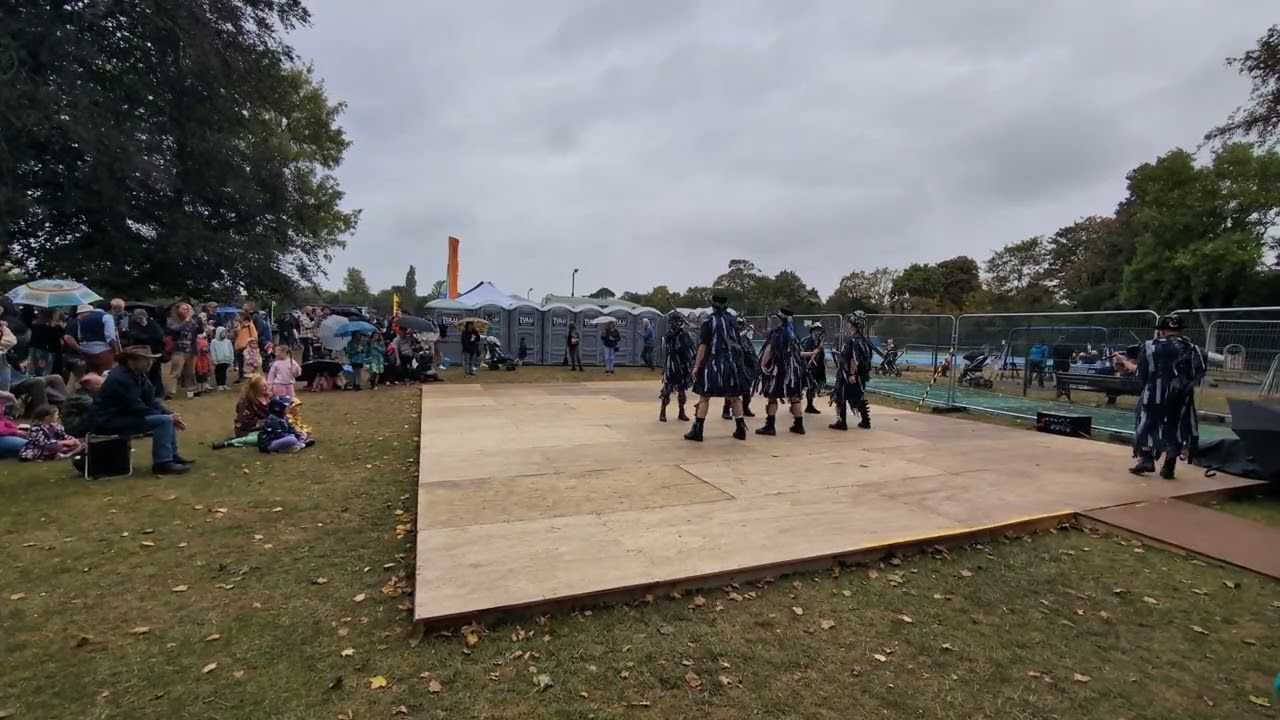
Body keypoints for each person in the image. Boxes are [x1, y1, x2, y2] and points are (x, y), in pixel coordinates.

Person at [1116, 314, 1206, 479]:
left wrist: (1124, 361)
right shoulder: (1193, 348)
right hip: (1181, 395)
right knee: (1177, 426)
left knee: (1149, 423)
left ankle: (1147, 459)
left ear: (1163, 330)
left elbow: (1142, 372)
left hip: (1155, 393)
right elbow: (1198, 373)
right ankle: (1169, 465)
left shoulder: (1152, 346)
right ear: (1180, 330)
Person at [85, 345, 193, 475]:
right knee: (163, 421)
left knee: (167, 418)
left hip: (124, 416)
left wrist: (170, 414)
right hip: (108, 421)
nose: (150, 363)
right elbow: (135, 407)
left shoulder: (139, 376)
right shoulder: (119, 378)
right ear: (132, 361)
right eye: (145, 359)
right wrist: (167, 417)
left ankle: (173, 456)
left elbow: (151, 402)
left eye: (151, 360)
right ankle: (163, 463)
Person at [683, 296, 750, 442]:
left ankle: (698, 430)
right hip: (731, 365)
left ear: (713, 306)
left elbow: (703, 345)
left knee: (704, 397)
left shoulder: (709, 321)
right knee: (735, 397)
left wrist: (696, 366)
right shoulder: (732, 321)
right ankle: (740, 429)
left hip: (712, 364)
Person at [755, 309, 819, 436]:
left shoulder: (778, 332)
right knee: (794, 396)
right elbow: (797, 353)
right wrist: (810, 354)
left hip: (780, 370)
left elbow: (769, 349)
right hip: (793, 371)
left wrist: (762, 364)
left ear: (780, 319)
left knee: (772, 395)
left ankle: (770, 426)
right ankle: (799, 425)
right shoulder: (792, 334)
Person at [830, 312, 874, 431]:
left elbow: (854, 359)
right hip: (859, 375)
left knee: (840, 395)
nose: (847, 325)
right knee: (857, 396)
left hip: (849, 374)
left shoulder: (853, 340)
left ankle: (841, 422)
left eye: (849, 322)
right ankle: (865, 421)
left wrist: (851, 374)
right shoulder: (863, 340)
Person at [658, 311, 694, 423]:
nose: (676, 324)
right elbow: (670, 339)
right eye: (675, 322)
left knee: (682, 390)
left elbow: (689, 347)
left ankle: (681, 412)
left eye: (678, 321)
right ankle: (662, 412)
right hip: (672, 364)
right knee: (667, 389)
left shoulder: (685, 334)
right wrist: (680, 328)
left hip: (683, 364)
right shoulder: (669, 334)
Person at [65, 304, 121, 376]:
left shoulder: (81, 319)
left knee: (92, 374)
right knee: (105, 374)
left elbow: (80, 336)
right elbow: (109, 337)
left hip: (86, 353)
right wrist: (117, 350)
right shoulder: (106, 316)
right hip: (103, 352)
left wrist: (80, 349)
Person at [122, 309, 165, 392]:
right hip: (140, 351)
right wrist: (147, 337)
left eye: (140, 318)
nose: (139, 320)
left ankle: (158, 390)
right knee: (142, 371)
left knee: (155, 371)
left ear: (145, 316)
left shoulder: (153, 324)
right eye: (137, 318)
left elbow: (160, 335)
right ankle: (144, 390)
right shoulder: (133, 325)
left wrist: (145, 336)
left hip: (154, 350)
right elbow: (133, 335)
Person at [800, 322, 827, 415]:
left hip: (815, 369)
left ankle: (809, 406)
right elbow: (800, 354)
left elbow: (821, 358)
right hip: (804, 368)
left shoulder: (820, 343)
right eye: (816, 330)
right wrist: (812, 353)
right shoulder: (805, 341)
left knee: (812, 388)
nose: (818, 333)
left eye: (819, 331)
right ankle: (794, 406)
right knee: (799, 387)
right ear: (812, 331)